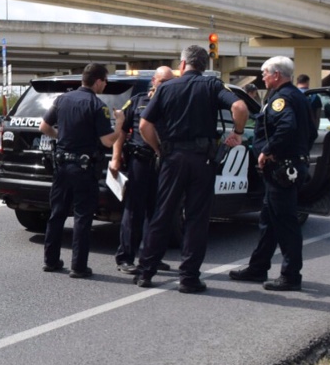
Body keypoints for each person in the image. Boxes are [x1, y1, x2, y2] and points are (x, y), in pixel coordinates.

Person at [133, 45, 248, 293]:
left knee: (162, 214)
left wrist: (158, 149)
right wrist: (237, 133)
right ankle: (189, 278)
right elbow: (239, 107)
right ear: (204, 66)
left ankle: (145, 272)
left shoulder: (165, 87)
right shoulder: (212, 86)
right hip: (202, 160)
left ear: (182, 64)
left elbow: (144, 125)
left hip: (172, 158)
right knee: (196, 218)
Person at [229, 56, 314, 291]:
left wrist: (268, 150)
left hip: (281, 171)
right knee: (268, 221)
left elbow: (287, 127)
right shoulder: (297, 96)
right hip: (285, 168)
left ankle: (290, 275)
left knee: (285, 223)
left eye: (265, 73)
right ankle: (258, 267)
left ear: (276, 75)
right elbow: (311, 131)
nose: (263, 77)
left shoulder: (283, 99)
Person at [40, 62, 123, 279]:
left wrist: (62, 137)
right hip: (83, 169)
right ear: (97, 81)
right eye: (105, 81)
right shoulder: (97, 106)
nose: (105, 85)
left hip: (61, 166)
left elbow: (44, 127)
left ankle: (50, 260)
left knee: (57, 213)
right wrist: (120, 125)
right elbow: (107, 141)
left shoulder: (62, 99)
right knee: (82, 217)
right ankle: (78, 266)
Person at [114, 65, 175, 274]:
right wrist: (115, 159)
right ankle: (125, 258)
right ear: (154, 82)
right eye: (162, 82)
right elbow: (121, 132)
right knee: (134, 211)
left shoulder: (175, 103)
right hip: (140, 160)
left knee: (158, 213)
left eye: (170, 82)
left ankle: (152, 257)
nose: (166, 86)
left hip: (164, 164)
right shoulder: (139, 100)